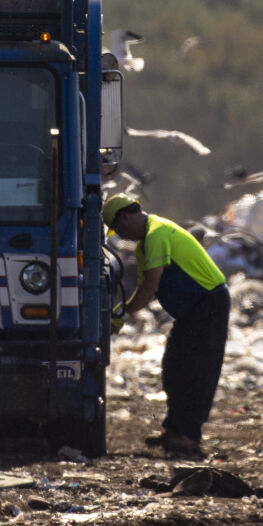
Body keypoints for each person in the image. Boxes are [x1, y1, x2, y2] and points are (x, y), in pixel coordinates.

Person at [103, 194, 230, 458]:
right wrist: (122, 313)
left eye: (119, 229)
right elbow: (143, 288)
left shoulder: (156, 234)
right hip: (189, 311)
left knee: (198, 370)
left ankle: (189, 437)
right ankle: (174, 429)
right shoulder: (144, 245)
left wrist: (120, 315)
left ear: (125, 217)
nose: (122, 235)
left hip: (208, 303)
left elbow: (150, 286)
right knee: (174, 366)